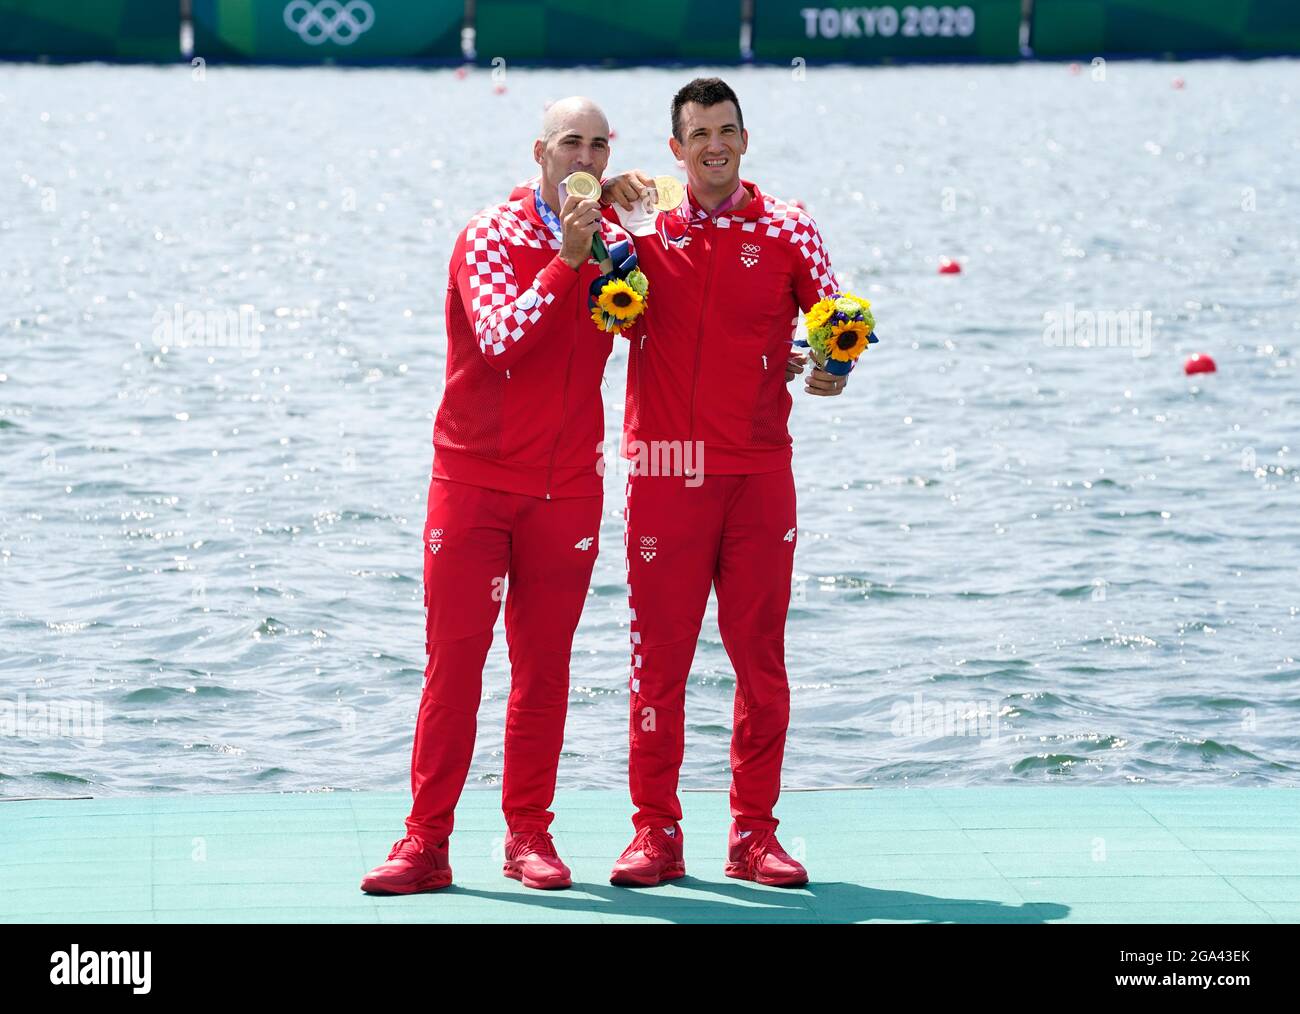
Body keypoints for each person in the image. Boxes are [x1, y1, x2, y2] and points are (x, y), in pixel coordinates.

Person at [360, 97, 635, 894]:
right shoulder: (490, 233)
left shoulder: (621, 244)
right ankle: (425, 843)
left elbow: (673, 327)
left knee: (544, 671)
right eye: (569, 143)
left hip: (568, 491)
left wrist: (795, 355)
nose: (583, 156)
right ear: (541, 152)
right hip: (474, 484)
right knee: (455, 669)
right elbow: (502, 341)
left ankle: (529, 839)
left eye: (597, 145)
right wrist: (567, 259)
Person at [599, 77, 854, 888]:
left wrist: (832, 366)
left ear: (745, 139)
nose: (715, 144)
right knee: (657, 664)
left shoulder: (788, 226)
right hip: (666, 471)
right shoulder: (640, 224)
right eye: (698, 133)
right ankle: (656, 834)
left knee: (760, 661)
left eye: (727, 130)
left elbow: (834, 317)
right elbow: (560, 203)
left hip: (756, 472)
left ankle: (753, 835)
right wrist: (607, 184)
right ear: (675, 150)